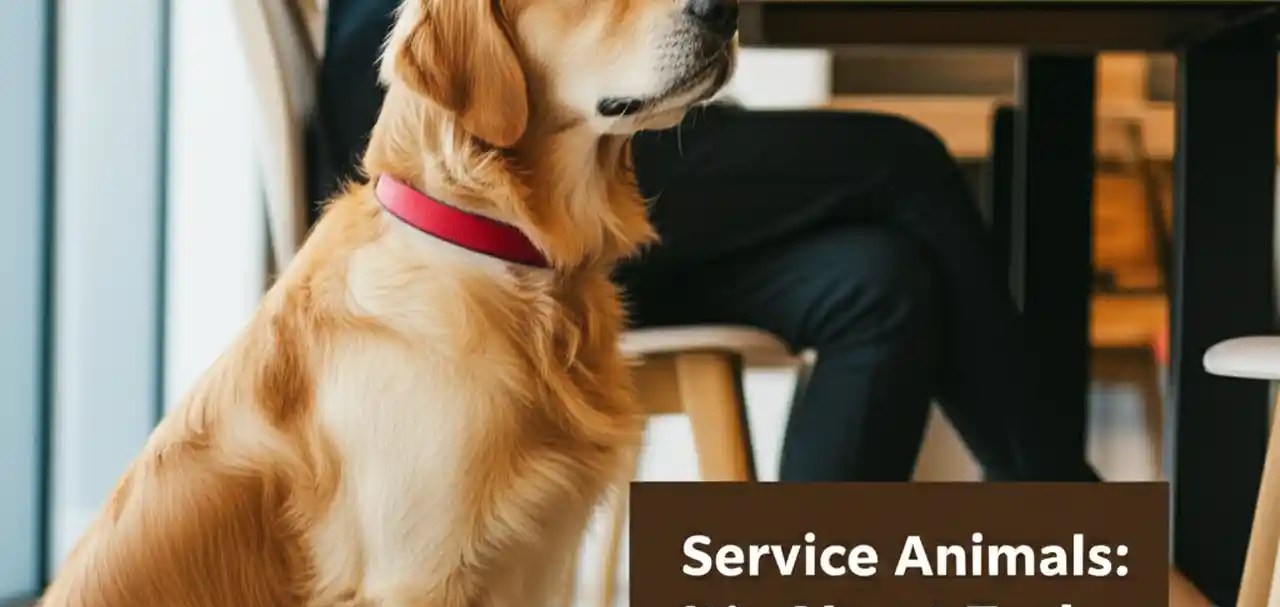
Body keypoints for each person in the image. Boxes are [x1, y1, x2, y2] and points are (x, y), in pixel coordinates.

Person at [308, 0, 1102, 484]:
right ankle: (1071, 524)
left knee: (879, 282)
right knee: (904, 161)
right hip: (482, 188)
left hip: (596, 189)